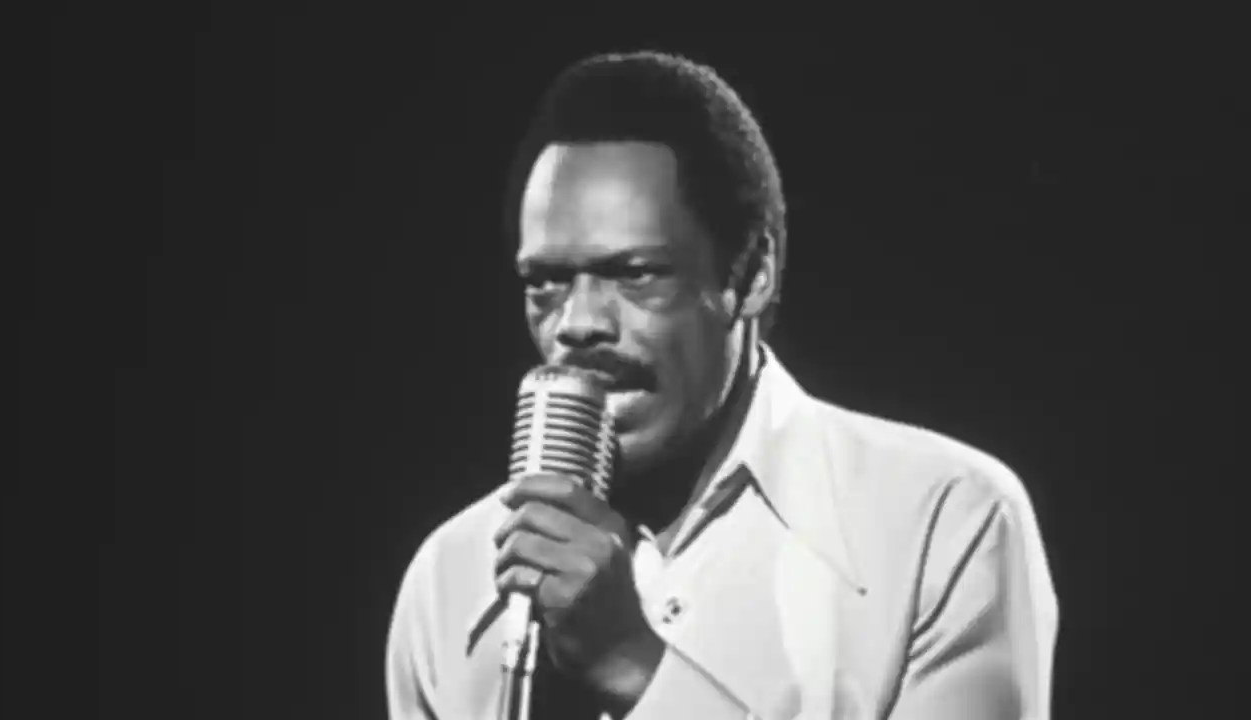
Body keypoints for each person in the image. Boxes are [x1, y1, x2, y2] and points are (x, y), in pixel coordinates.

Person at [385, 50, 1059, 719]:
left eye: (636, 274)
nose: (578, 323)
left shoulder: (941, 522)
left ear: (750, 274)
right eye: (546, 283)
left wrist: (631, 663)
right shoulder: (451, 576)